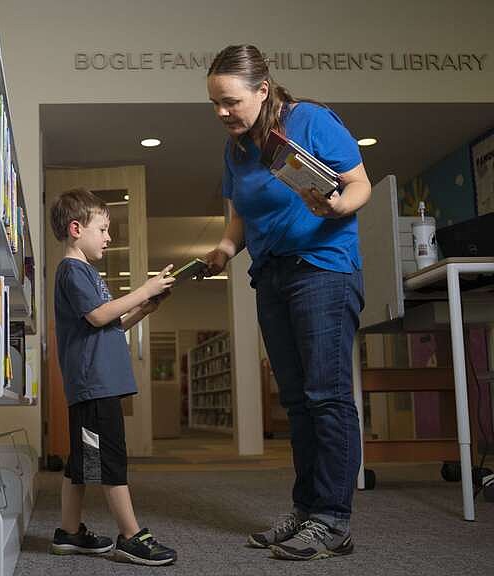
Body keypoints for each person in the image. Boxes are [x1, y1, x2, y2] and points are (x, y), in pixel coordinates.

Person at [203, 45, 371, 561]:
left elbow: (360, 184)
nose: (222, 112)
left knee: (326, 395)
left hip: (322, 267)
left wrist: (338, 204)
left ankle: (333, 520)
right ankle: (307, 510)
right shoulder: (236, 150)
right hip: (272, 275)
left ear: (262, 89)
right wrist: (224, 249)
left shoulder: (311, 121)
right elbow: (240, 216)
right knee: (297, 401)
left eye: (230, 101)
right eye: (214, 103)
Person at [49, 188, 178, 566]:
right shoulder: (73, 270)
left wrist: (145, 308)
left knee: (84, 462)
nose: (108, 237)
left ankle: (69, 532)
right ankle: (131, 536)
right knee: (110, 460)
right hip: (95, 385)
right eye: (102, 229)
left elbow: (110, 325)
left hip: (93, 385)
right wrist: (144, 289)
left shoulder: (85, 272)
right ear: (76, 229)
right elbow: (98, 316)